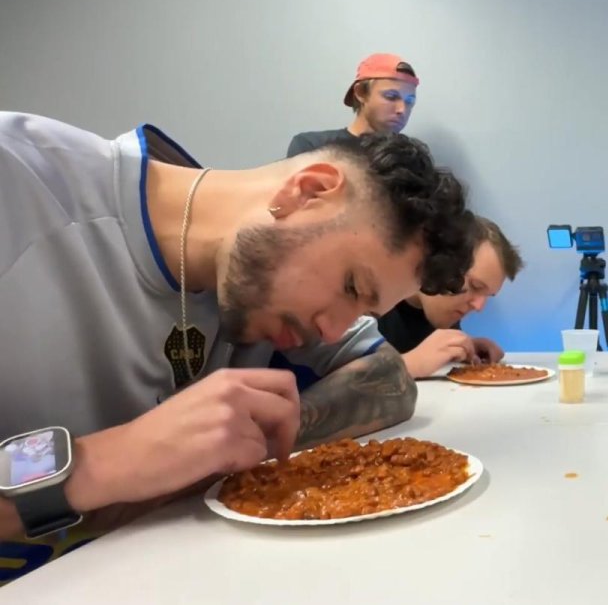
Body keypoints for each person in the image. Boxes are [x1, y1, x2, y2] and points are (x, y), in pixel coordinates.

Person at [0, 112, 474, 581]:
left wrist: (249, 438)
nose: (332, 332)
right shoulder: (19, 180)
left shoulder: (261, 285)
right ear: (307, 192)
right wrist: (103, 463)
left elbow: (388, 378)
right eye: (351, 287)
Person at [380, 216, 524, 377]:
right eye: (475, 286)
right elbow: (348, 378)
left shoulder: (441, 314)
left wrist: (460, 348)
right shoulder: (370, 304)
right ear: (440, 260)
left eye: (487, 296)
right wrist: (409, 364)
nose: (479, 306)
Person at [286, 53, 420, 157]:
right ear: (361, 93)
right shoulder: (313, 147)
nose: (402, 110)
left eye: (410, 102)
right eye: (391, 97)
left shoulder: (410, 157)